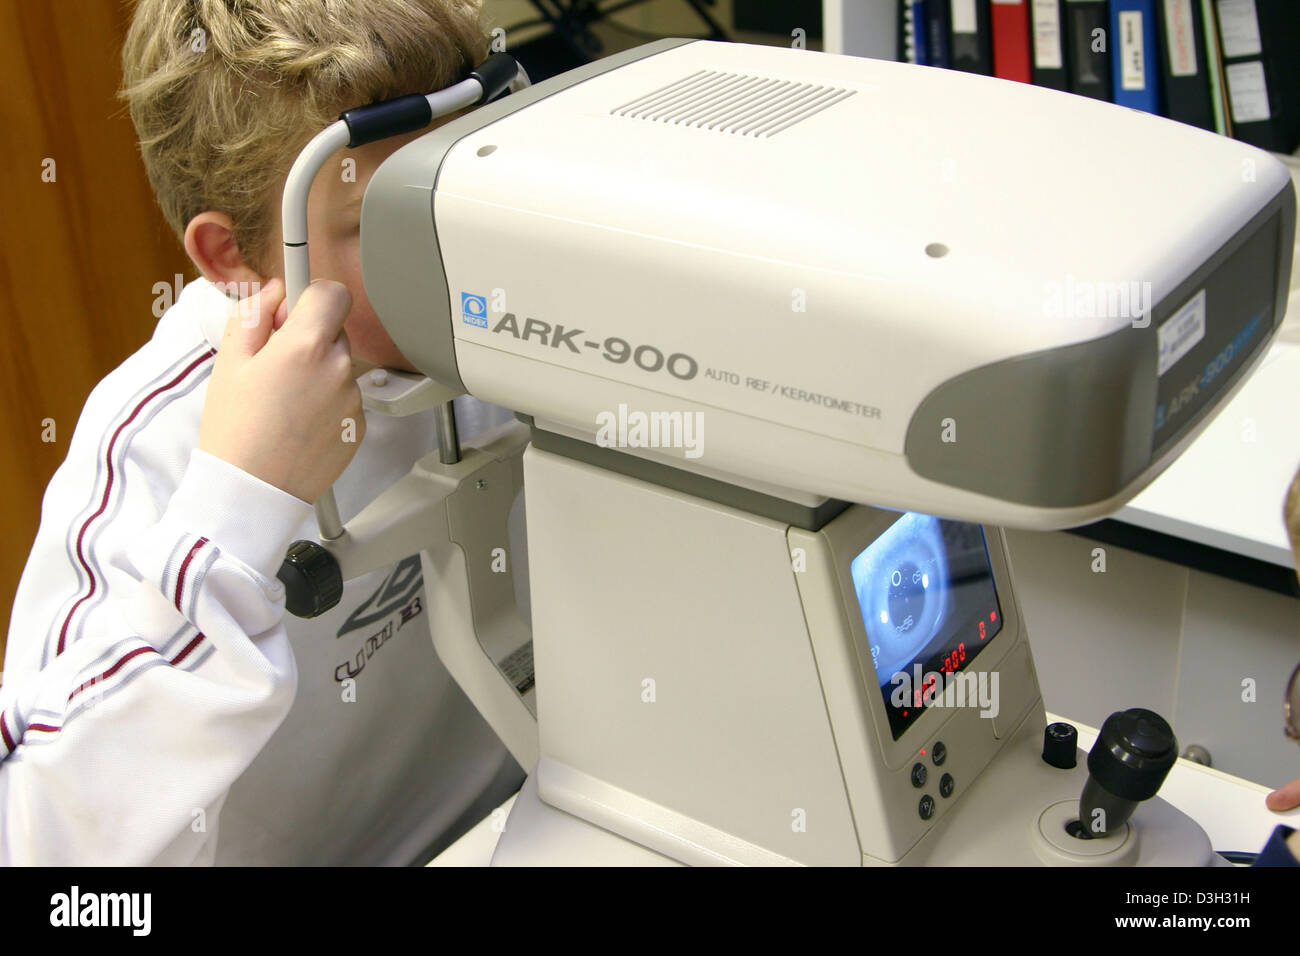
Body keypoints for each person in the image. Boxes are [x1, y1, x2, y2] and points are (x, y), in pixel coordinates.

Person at [0, 0, 522, 864]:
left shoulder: (513, 312)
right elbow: (45, 852)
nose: (460, 246)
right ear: (229, 259)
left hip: (523, 819)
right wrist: (237, 505)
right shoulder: (156, 446)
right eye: (387, 222)